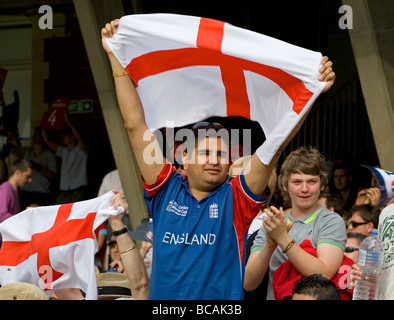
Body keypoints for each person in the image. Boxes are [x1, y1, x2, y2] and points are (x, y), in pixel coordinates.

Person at [101, 19, 335, 299]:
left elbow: (275, 146)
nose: (214, 160)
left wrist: (309, 94)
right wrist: (115, 58)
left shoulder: (237, 199)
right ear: (184, 159)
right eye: (206, 153)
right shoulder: (165, 188)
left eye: (222, 154)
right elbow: (135, 125)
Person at [245, 146, 347, 300]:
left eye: (312, 181)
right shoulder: (273, 222)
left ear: (322, 185)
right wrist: (269, 245)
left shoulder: (331, 221)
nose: (304, 189)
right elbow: (249, 283)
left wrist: (282, 238)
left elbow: (323, 274)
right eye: (297, 182)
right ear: (285, 185)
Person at [42, 112, 88, 204]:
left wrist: (68, 122)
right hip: (65, 188)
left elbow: (79, 138)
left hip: (78, 187)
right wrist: (43, 124)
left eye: (65, 136)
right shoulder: (63, 151)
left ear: (72, 137)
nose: (63, 138)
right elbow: (47, 141)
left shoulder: (81, 150)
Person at [10, 127, 58, 207]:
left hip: (41, 193)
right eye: (34, 134)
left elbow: (53, 175)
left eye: (38, 134)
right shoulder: (27, 152)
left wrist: (37, 167)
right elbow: (13, 149)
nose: (35, 136)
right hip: (25, 192)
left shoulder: (49, 155)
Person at [0, 158, 32, 246]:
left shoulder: (13, 189)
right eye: (27, 176)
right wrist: (23, 218)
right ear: (17, 172)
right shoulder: (6, 188)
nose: (30, 180)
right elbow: (1, 214)